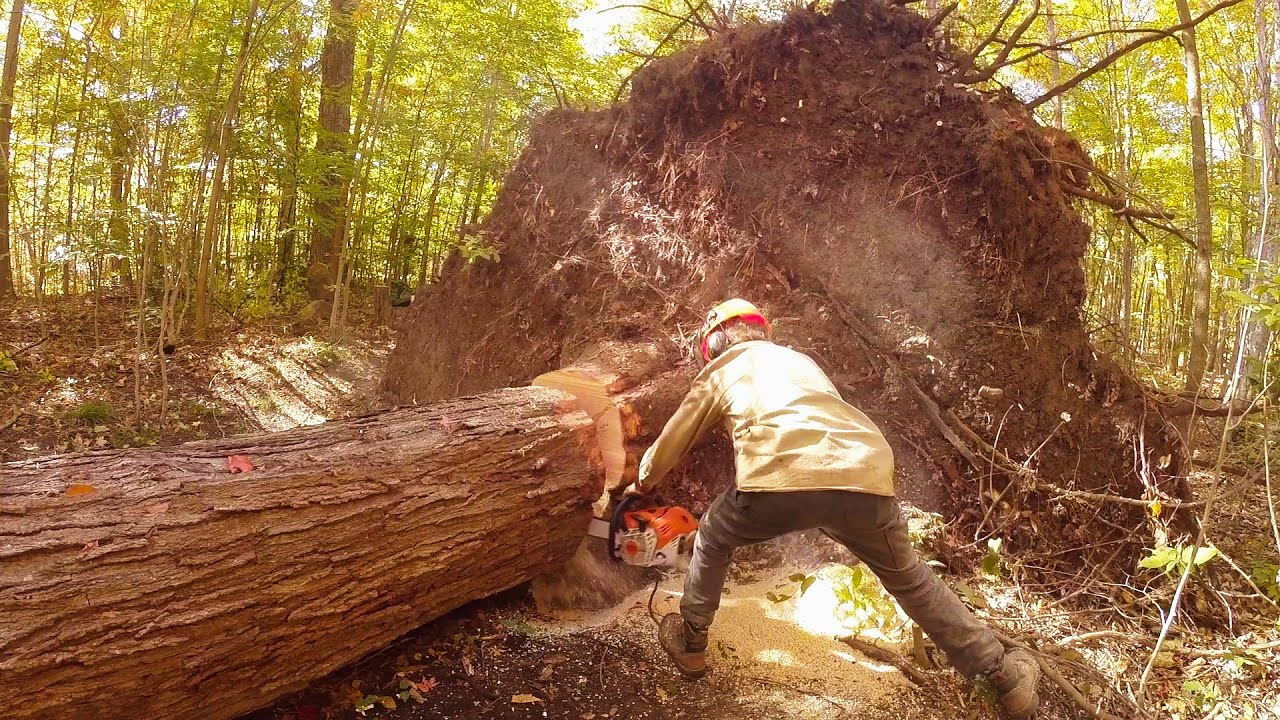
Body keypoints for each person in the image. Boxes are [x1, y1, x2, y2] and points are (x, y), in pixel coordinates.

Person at [625, 299, 1041, 719]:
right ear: (761, 330)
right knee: (913, 582)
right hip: (864, 477)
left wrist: (641, 482)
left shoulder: (722, 370)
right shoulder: (800, 361)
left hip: (779, 479)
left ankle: (692, 642)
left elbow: (673, 440)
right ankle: (1005, 678)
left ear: (713, 343)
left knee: (713, 534)